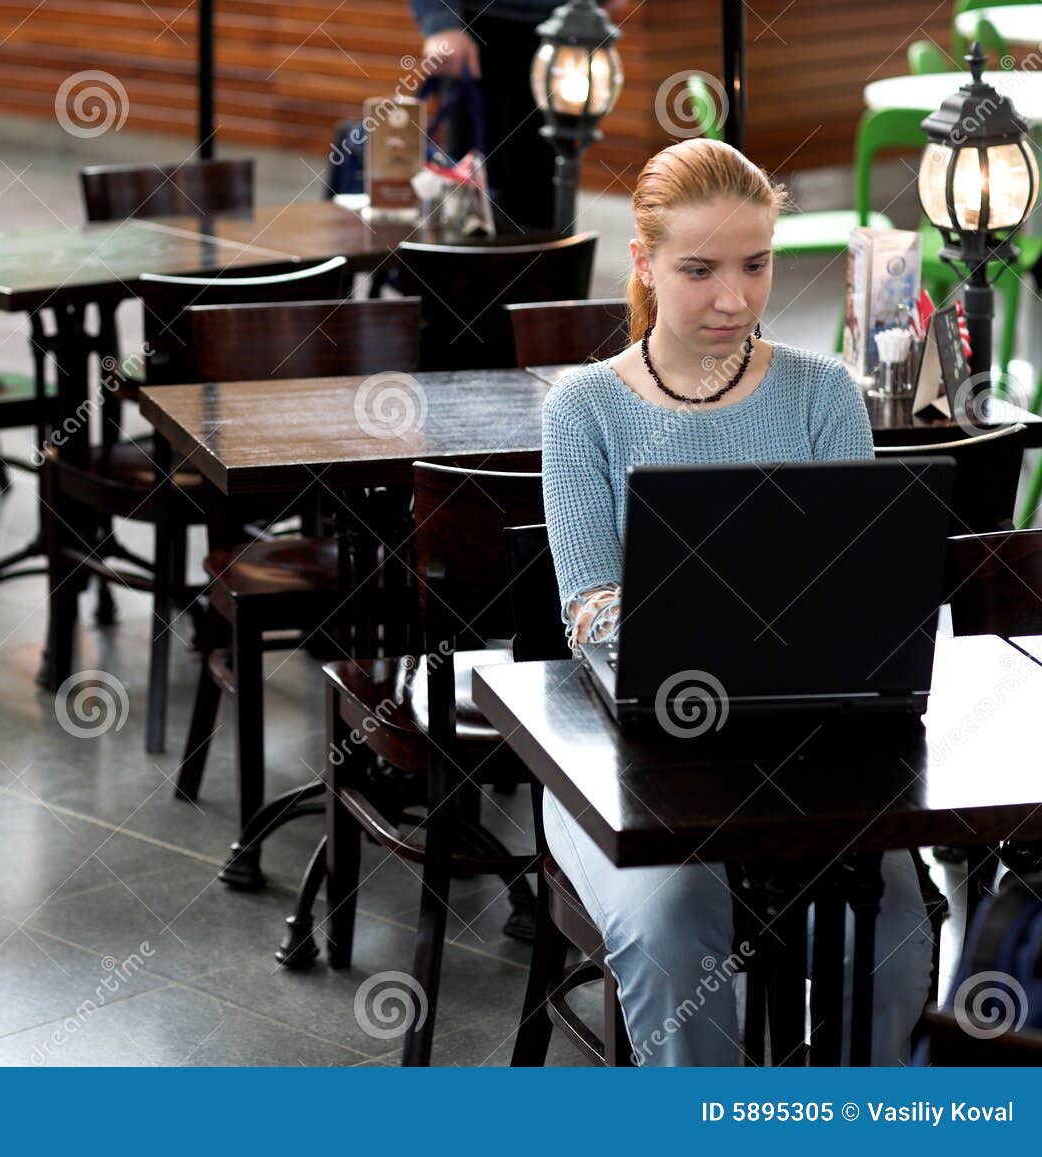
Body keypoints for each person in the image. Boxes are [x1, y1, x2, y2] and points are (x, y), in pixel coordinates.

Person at [538, 137, 935, 1065]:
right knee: (673, 919)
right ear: (643, 264)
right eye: (700, 269)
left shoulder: (824, 394)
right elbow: (590, 608)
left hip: (804, 756)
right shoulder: (584, 408)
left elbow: (858, 592)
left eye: (756, 265)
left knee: (892, 933)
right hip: (624, 765)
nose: (734, 298)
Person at [409, 0, 624, 233]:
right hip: (475, 27)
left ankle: (542, 260)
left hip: (561, 27)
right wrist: (440, 23)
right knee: (473, 188)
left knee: (545, 182)